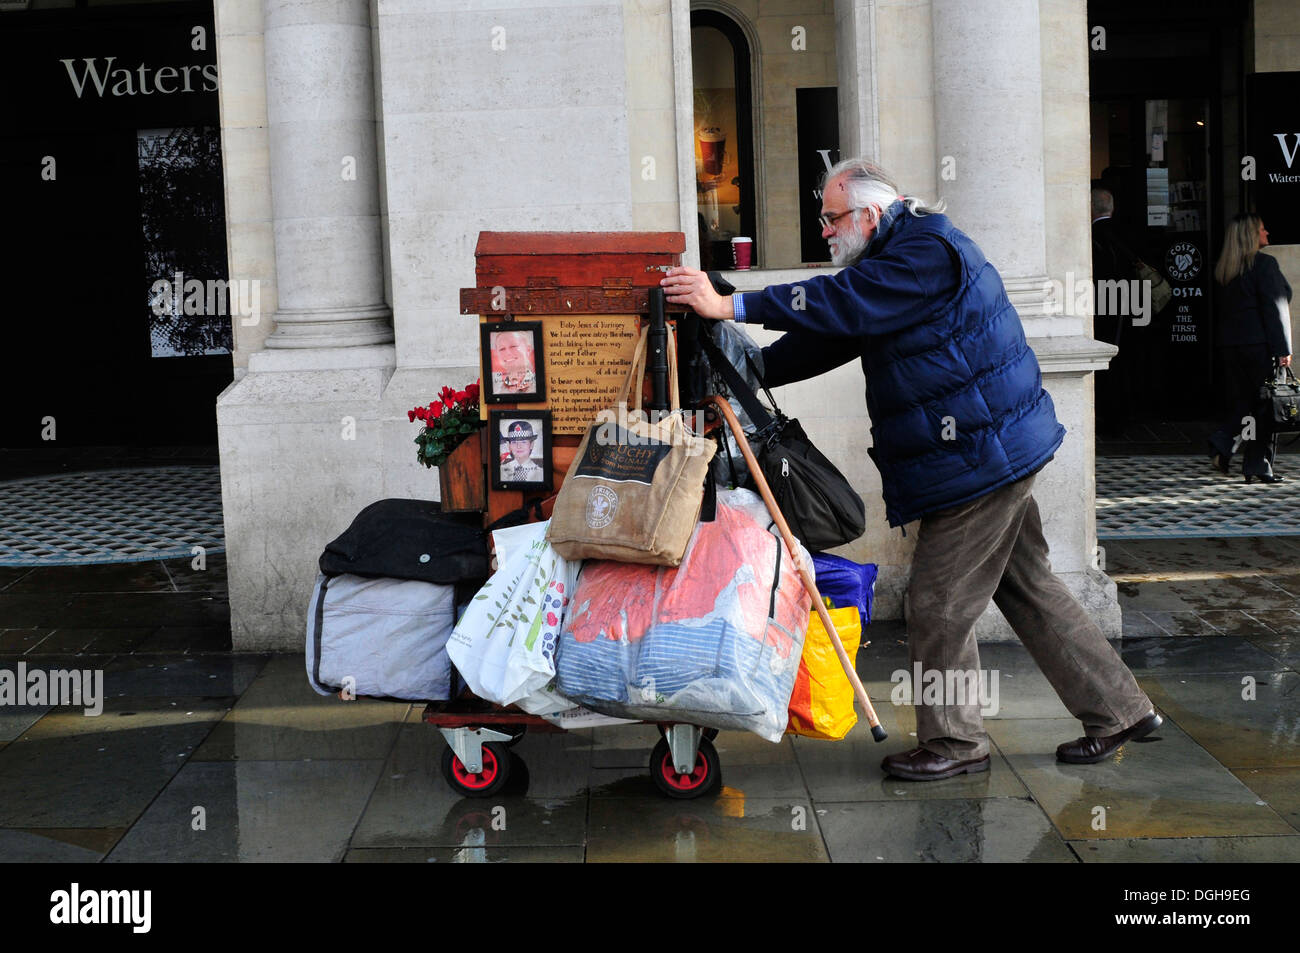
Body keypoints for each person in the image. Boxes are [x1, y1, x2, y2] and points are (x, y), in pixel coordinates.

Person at [662, 157, 1160, 780]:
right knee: (1028, 584)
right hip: (991, 451)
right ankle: (1119, 710)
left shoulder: (925, 250)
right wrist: (754, 372)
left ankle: (955, 743)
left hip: (980, 459)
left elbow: (846, 302)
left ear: (870, 214)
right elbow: (841, 328)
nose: (824, 229)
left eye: (831, 216)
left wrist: (732, 303)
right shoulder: (896, 257)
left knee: (937, 604)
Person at [1207, 214, 1293, 483]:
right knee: (1266, 407)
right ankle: (1257, 463)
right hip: (1260, 347)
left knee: (1247, 403)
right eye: (1262, 229)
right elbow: (1275, 309)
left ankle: (1224, 444)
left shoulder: (1225, 269)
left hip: (1231, 347)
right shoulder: (1265, 264)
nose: (1267, 232)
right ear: (1251, 236)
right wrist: (1283, 349)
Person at [1091, 187, 1142, 436]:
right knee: (1127, 359)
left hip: (1104, 304)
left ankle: (1111, 415)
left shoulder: (1092, 235)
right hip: (1132, 302)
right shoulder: (1129, 232)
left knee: (1107, 359)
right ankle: (1126, 413)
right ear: (1112, 207)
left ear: (1091, 208)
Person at [490, 329, 537, 395]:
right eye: (502, 349)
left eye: (513, 346)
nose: (507, 353)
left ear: (528, 350)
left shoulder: (540, 385)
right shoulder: (494, 390)